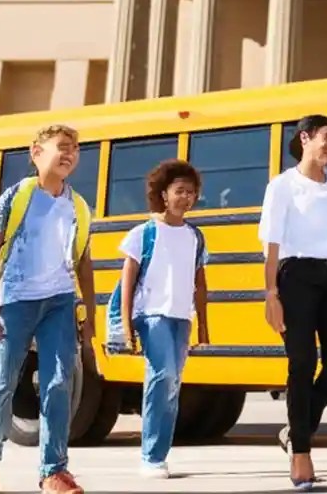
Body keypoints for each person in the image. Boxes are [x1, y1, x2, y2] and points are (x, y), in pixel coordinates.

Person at [0, 124, 96, 494]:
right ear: (36, 153)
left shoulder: (78, 206)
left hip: (59, 301)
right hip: (15, 300)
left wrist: (89, 312)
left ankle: (54, 471)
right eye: (62, 146)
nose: (70, 153)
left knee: (60, 384)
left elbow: (84, 260)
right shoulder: (16, 197)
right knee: (1, 384)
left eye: (74, 147)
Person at [259, 114, 327, 489]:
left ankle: (295, 429)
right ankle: (301, 454)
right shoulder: (282, 186)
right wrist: (271, 295)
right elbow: (271, 248)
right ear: (305, 138)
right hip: (296, 277)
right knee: (301, 363)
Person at [115, 159, 210, 479]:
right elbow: (128, 280)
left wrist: (204, 327)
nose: (186, 197)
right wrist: (127, 323)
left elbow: (200, 283)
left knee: (172, 384)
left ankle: (159, 454)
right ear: (163, 194)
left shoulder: (195, 236)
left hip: (181, 318)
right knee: (162, 376)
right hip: (152, 314)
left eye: (192, 192)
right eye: (180, 191)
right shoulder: (145, 232)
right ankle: (151, 456)